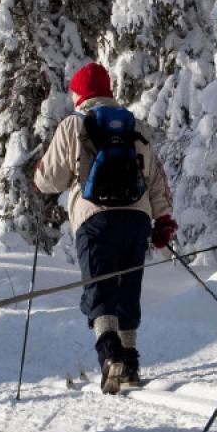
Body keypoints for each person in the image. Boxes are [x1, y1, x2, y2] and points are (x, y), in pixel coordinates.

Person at [32, 63, 176, 394]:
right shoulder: (134, 125)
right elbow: (156, 177)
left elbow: (50, 179)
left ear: (79, 93)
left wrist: (39, 176)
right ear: (108, 91)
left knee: (100, 287)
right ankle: (130, 363)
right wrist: (163, 219)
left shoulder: (74, 124)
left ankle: (110, 354)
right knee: (127, 288)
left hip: (94, 218)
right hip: (137, 219)